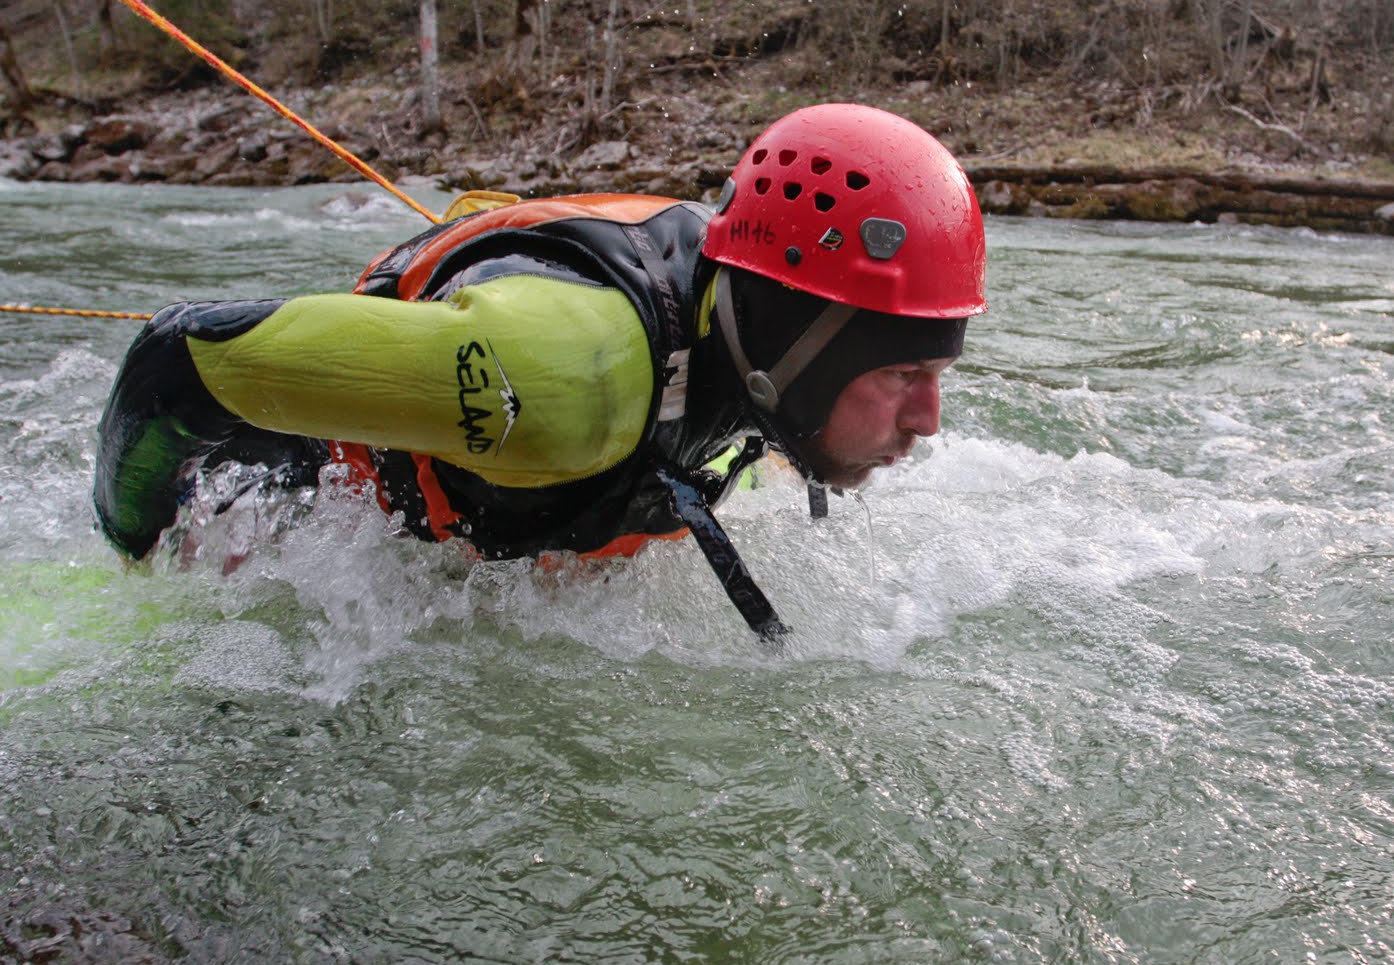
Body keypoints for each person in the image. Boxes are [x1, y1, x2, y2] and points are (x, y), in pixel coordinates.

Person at [92, 103, 987, 638]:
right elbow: (175, 360)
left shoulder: (751, 331)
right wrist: (140, 560)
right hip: (288, 489)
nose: (929, 420)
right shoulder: (560, 383)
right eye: (904, 372)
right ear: (797, 341)